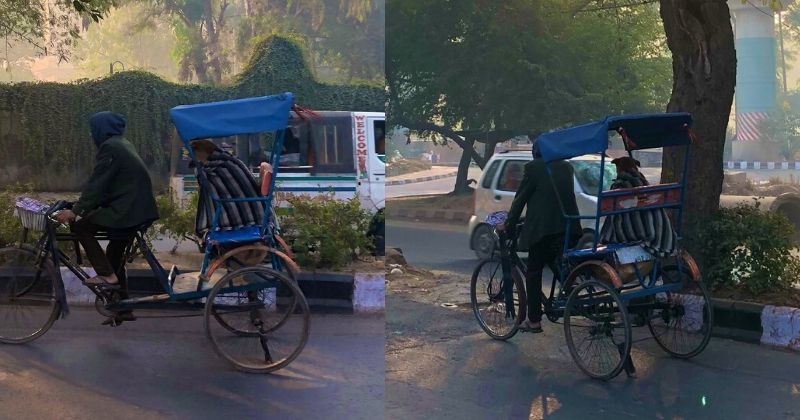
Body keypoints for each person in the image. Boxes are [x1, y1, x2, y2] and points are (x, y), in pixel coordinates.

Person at [55, 112, 159, 303]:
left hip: (128, 210)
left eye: (93, 130)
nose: (91, 135)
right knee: (114, 255)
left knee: (80, 226)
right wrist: (79, 205)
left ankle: (106, 275)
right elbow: (110, 184)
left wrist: (76, 211)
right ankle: (121, 307)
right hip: (135, 209)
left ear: (101, 130)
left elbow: (98, 184)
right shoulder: (122, 143)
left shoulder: (110, 147)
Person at [499, 139, 581, 333]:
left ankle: (534, 320)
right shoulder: (566, 167)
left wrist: (509, 224)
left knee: (533, 271)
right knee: (554, 260)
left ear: (536, 153)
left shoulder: (534, 168)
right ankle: (572, 291)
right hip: (569, 226)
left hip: (544, 230)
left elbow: (521, 199)